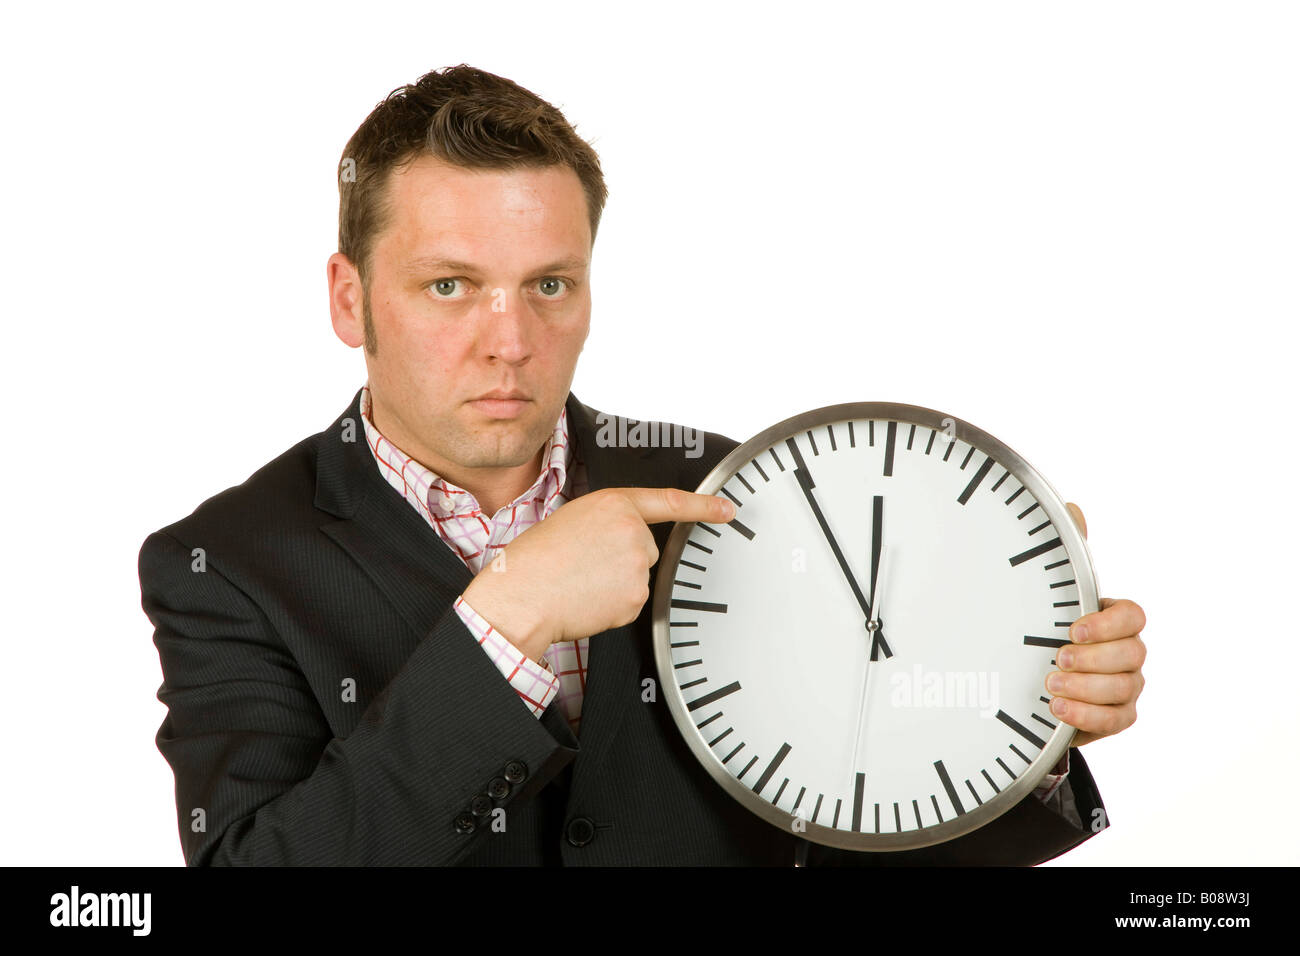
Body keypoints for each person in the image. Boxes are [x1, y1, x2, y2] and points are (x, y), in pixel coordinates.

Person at [138, 64, 1148, 866]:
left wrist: (1021, 727)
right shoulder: (227, 562)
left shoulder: (733, 492)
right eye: (450, 285)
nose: (511, 339)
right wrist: (510, 617)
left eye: (549, 283)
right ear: (348, 297)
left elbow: (846, 822)